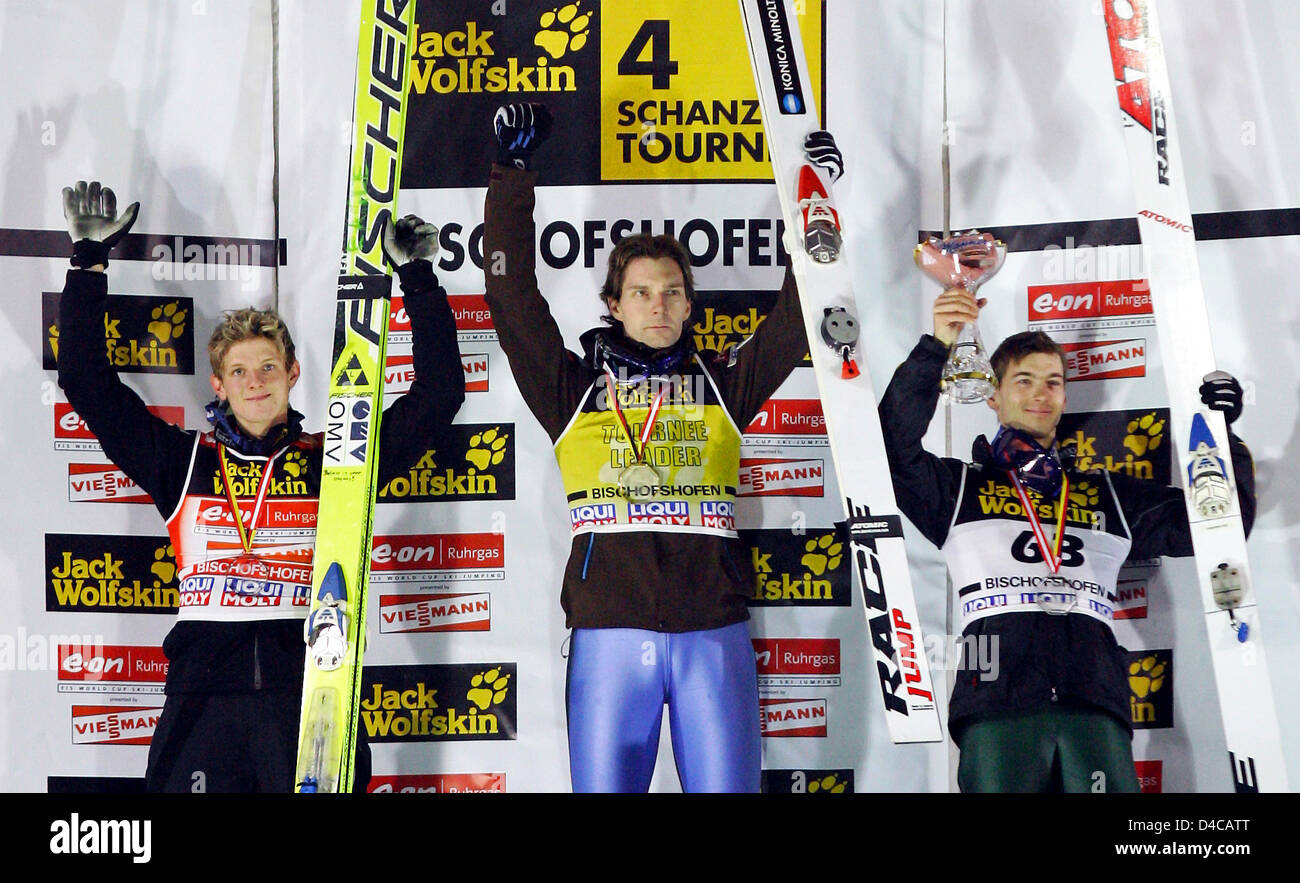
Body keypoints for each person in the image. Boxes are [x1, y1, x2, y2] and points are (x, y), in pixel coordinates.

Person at [56, 180, 465, 792]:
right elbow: (87, 381)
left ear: (293, 374)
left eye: (269, 367)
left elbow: (439, 396)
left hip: (307, 697)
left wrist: (421, 281)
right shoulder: (182, 462)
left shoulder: (339, 464)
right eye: (240, 371)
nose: (255, 382)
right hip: (203, 702)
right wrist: (87, 263)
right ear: (217, 384)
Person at [482, 105, 829, 792]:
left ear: (691, 305)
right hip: (610, 632)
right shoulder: (571, 390)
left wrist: (815, 195)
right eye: (641, 292)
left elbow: (799, 314)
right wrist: (511, 178)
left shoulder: (725, 385)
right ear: (614, 303)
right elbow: (512, 300)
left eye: (672, 292)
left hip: (714, 632)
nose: (659, 304)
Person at [878, 286, 1254, 792]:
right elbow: (890, 450)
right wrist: (936, 347)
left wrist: (1221, 433)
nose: (1040, 394)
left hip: (1093, 705)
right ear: (993, 393)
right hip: (995, 706)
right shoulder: (959, 487)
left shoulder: (1106, 496)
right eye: (1025, 380)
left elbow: (1218, 524)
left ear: (1064, 396)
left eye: (1053, 382)